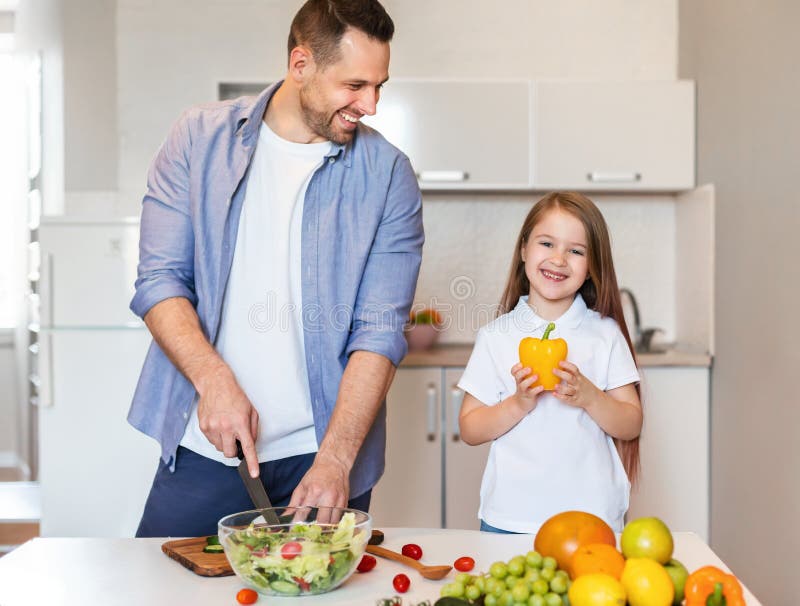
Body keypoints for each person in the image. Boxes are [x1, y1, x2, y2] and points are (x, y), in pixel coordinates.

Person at [128, 0, 423, 537]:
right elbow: (160, 281)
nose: (372, 104)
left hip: (326, 460)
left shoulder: (388, 176)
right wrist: (213, 381)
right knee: (160, 586)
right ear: (301, 64)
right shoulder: (199, 139)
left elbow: (378, 332)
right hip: (206, 442)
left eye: (380, 85)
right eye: (355, 85)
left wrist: (336, 461)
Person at [457, 191, 642, 534]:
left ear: (591, 268)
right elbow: (469, 428)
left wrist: (590, 397)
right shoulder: (496, 336)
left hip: (592, 517)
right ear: (524, 249)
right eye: (547, 243)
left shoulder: (604, 334)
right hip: (511, 517)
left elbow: (630, 423)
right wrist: (518, 403)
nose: (559, 259)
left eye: (575, 251)